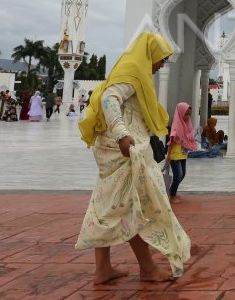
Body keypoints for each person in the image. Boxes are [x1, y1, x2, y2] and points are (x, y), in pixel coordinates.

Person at [75, 32, 190, 283]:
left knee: (107, 206)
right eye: (161, 59)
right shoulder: (131, 73)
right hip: (123, 150)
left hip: (118, 150)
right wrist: (121, 134)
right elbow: (109, 99)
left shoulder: (134, 73)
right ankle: (147, 267)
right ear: (150, 54)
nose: (161, 65)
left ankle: (102, 268)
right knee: (135, 205)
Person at [167, 102, 199, 203]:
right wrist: (168, 155)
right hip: (175, 155)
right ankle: (172, 196)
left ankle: (172, 192)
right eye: (185, 114)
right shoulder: (176, 125)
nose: (187, 117)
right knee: (178, 175)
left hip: (183, 155)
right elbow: (171, 141)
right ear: (180, 113)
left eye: (189, 114)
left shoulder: (187, 124)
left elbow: (189, 138)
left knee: (183, 174)